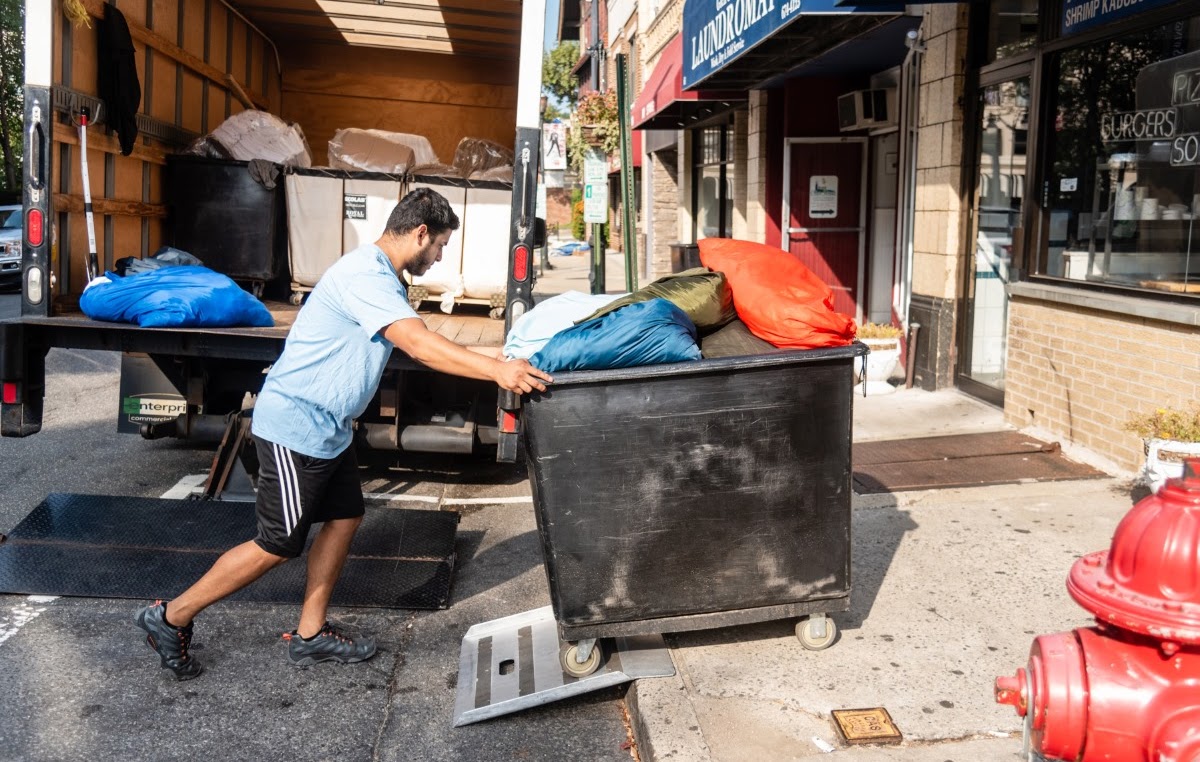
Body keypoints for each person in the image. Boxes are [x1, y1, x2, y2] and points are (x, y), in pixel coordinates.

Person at [135, 187, 552, 680]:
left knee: (346, 517)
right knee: (278, 542)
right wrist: (497, 370)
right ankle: (171, 616)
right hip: (296, 428)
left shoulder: (384, 278)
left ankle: (310, 635)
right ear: (420, 232)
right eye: (439, 245)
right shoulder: (365, 276)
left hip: (328, 431)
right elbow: (418, 345)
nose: (439, 257)